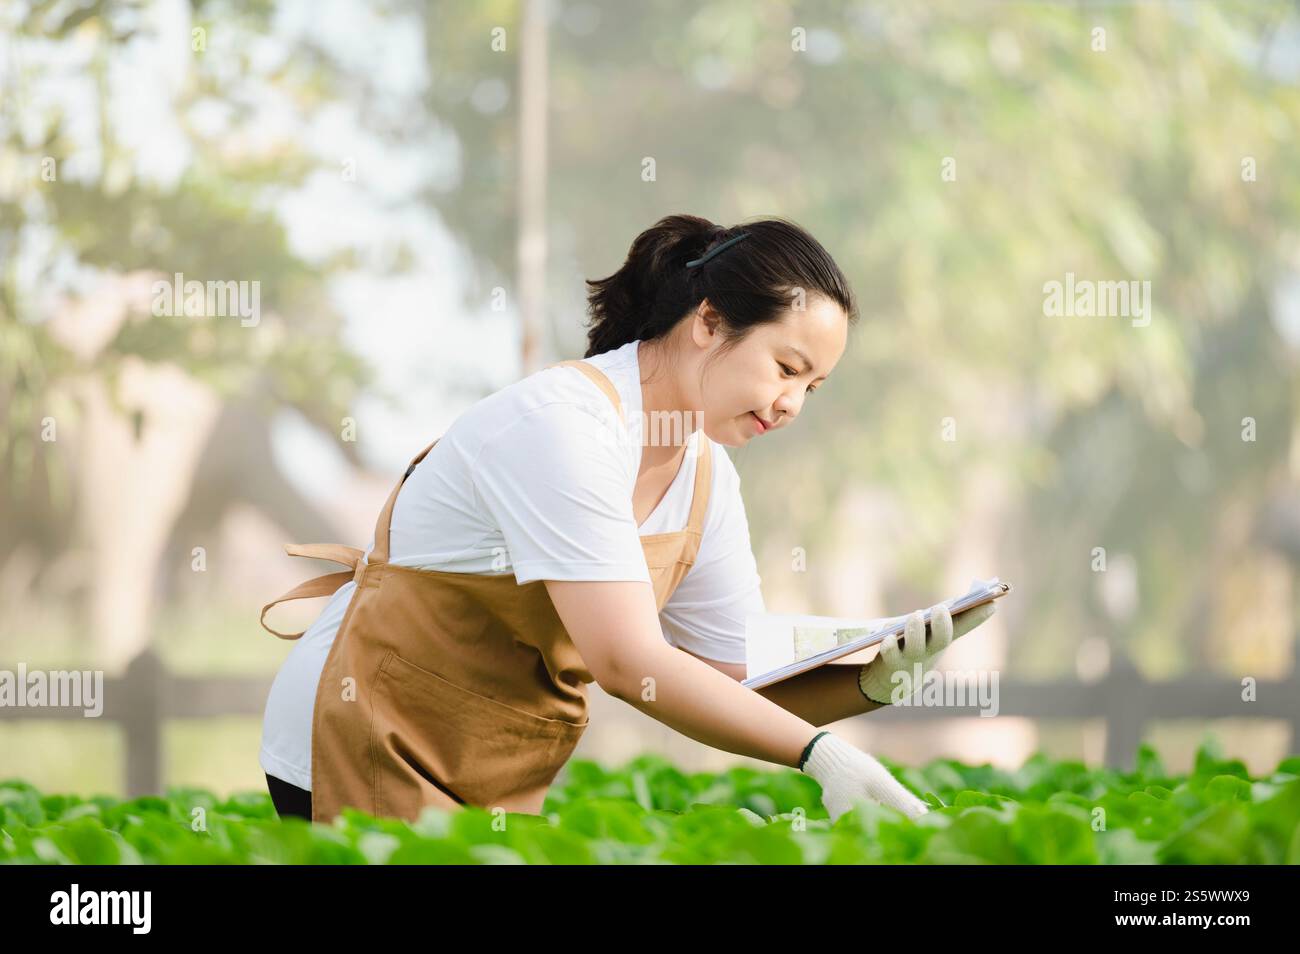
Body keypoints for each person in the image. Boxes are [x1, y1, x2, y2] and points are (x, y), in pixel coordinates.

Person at [257, 213, 995, 825]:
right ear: (709, 322)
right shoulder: (563, 425)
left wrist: (871, 677)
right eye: (786, 367)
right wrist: (819, 754)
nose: (793, 404)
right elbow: (627, 662)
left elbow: (739, 678)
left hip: (487, 761)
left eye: (815, 386)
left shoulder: (706, 475)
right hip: (359, 736)